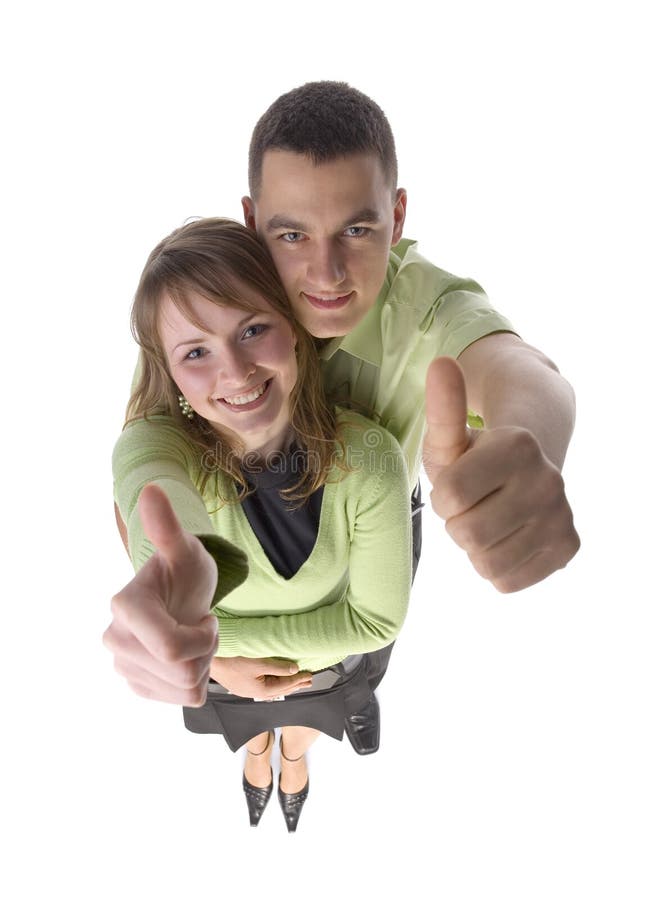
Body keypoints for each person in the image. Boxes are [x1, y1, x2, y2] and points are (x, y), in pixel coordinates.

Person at [106, 81, 579, 756]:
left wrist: (530, 440)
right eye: (292, 233)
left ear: (398, 213)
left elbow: (522, 372)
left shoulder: (422, 306)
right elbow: (146, 458)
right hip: (235, 537)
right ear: (251, 221)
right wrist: (211, 649)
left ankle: (306, 736)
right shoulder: (207, 301)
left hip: (373, 523)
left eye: (357, 230)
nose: (325, 274)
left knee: (351, 662)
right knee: (256, 691)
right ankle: (268, 744)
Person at [109, 217, 412, 831]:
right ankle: (256, 752)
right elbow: (153, 487)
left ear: (295, 330)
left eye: (253, 329)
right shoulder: (154, 446)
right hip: (238, 670)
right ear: (171, 374)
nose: (236, 371)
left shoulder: (372, 459)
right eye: (196, 352)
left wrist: (224, 646)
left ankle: (294, 757)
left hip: (313, 663)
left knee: (302, 720)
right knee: (251, 718)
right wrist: (188, 605)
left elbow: (377, 621)